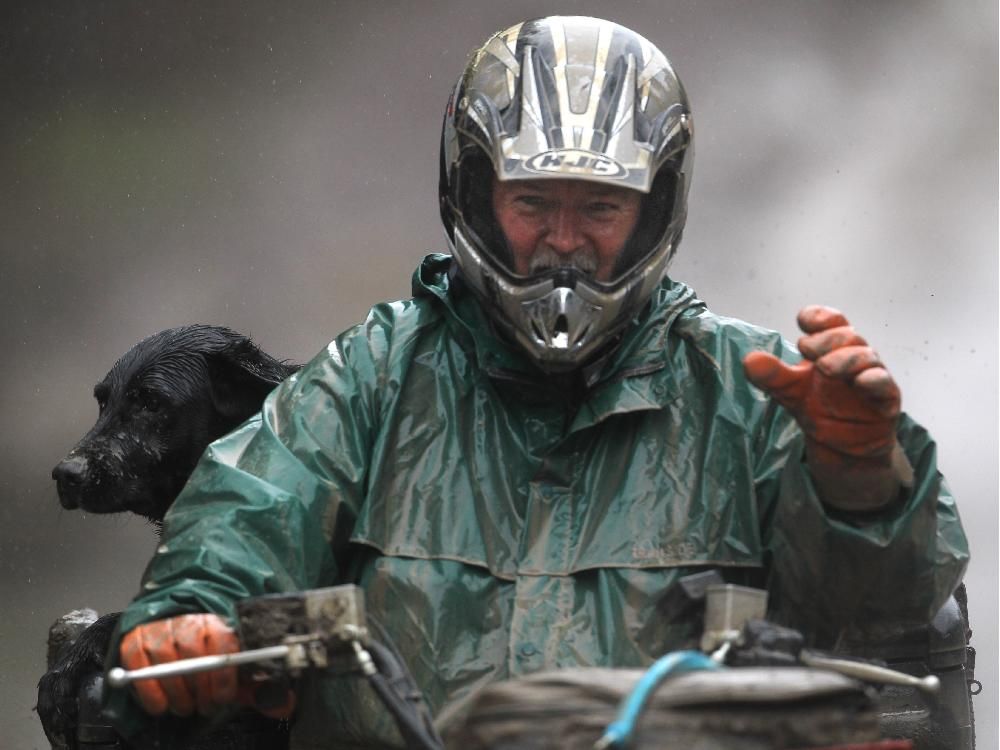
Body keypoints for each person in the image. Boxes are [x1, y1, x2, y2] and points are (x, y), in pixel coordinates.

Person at [104, 16, 968, 749]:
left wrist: (860, 476)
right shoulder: (372, 377)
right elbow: (248, 511)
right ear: (476, 193)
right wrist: (191, 614)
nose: (564, 241)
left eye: (599, 208)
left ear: (654, 210)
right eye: (531, 204)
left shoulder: (752, 392)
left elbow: (889, 614)